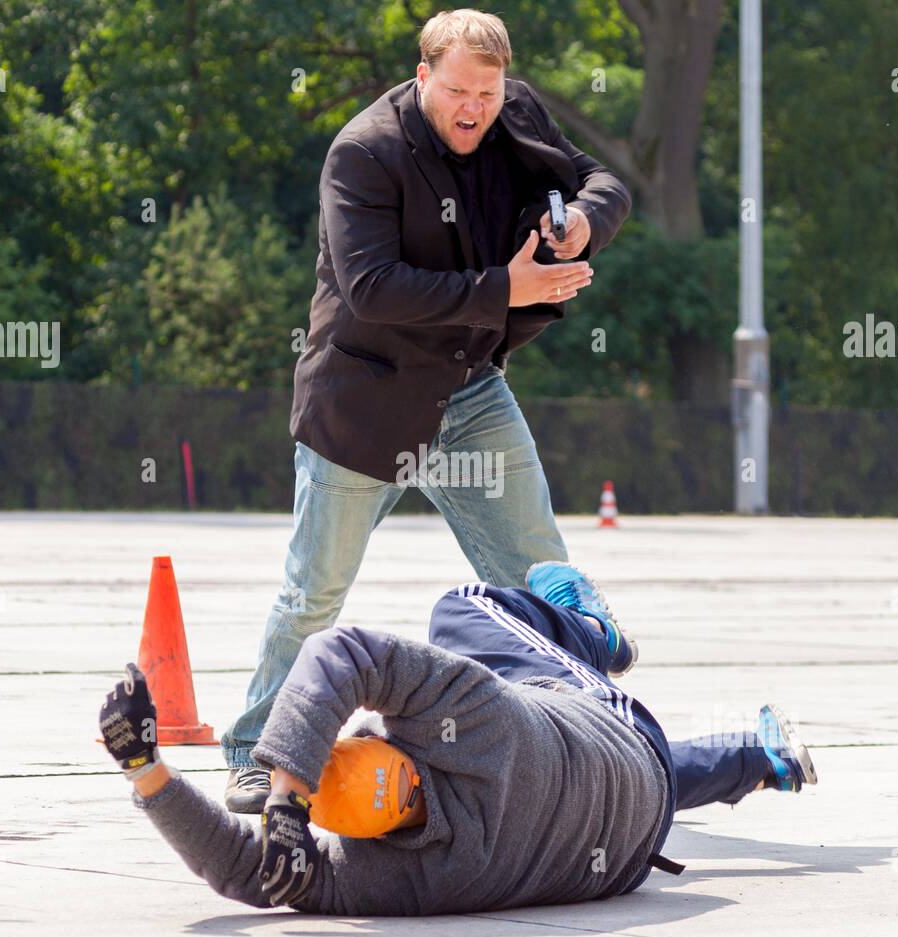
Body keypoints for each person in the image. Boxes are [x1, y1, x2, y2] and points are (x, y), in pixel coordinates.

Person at [221, 8, 632, 812]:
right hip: (366, 403)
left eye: (488, 90)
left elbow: (605, 180)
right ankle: (250, 752)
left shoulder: (513, 112)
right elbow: (371, 290)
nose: (474, 107)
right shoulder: (364, 152)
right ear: (422, 78)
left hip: (470, 389)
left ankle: (590, 747)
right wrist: (504, 289)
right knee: (316, 593)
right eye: (457, 92)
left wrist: (585, 220)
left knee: (544, 582)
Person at [101, 563, 818, 915]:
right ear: (390, 747)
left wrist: (147, 774)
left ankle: (765, 759)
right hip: (620, 732)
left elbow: (244, 872)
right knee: (462, 609)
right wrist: (284, 794)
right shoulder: (478, 723)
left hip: (632, 841)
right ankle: (599, 636)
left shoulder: (393, 878)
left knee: (622, 788)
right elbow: (341, 651)